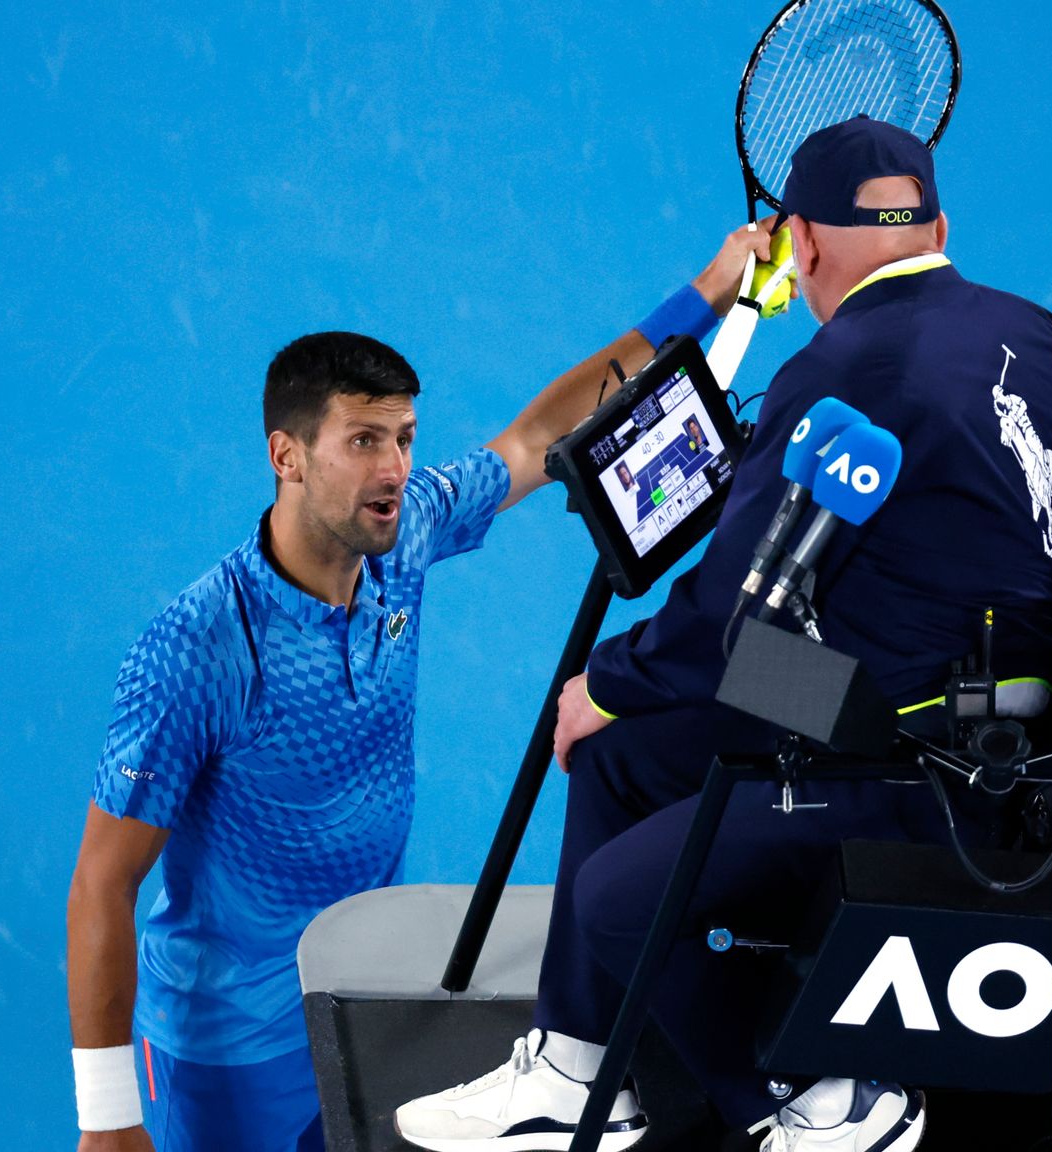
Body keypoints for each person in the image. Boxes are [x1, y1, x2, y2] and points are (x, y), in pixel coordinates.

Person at [395, 116, 1052, 1152]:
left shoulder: (839, 366)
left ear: (801, 245)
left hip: (903, 739)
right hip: (991, 701)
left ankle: (822, 1102)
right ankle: (572, 1071)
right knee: (626, 757)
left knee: (614, 896)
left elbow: (729, 618)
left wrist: (607, 681)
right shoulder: (1046, 339)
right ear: (937, 226)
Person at [64, 228, 772, 1152]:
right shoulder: (199, 648)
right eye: (363, 441)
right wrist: (107, 1118)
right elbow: (103, 880)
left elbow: (538, 435)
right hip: (229, 1046)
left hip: (356, 983)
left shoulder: (405, 536)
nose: (394, 469)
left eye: (403, 439)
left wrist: (710, 293)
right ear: (287, 455)